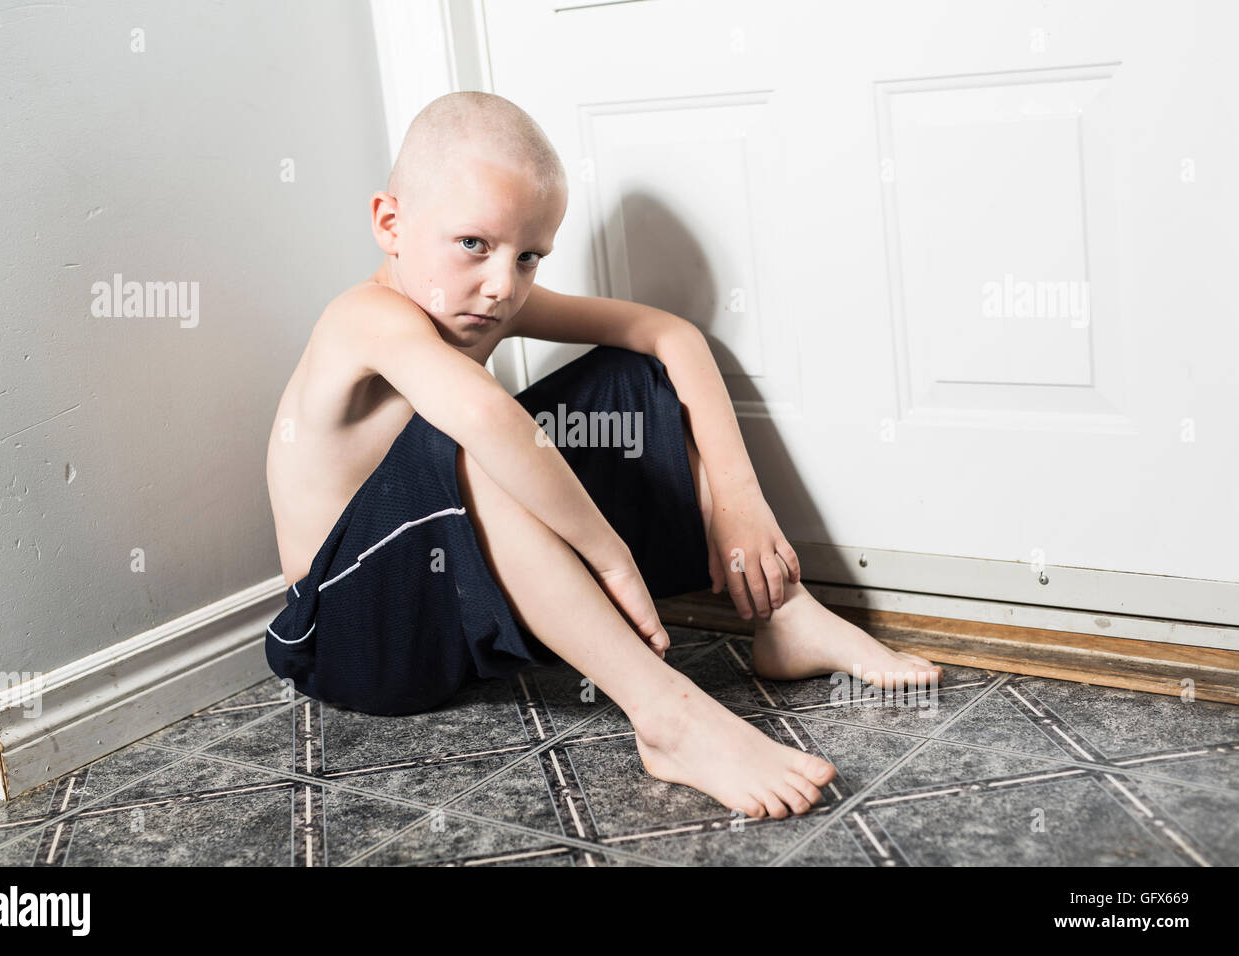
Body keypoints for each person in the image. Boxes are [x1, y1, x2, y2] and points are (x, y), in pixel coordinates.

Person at [264, 91, 941, 820]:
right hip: (352, 640)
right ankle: (669, 719)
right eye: (473, 245)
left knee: (633, 377)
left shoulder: (490, 296)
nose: (502, 286)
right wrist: (609, 555)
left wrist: (744, 505)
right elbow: (489, 420)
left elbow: (670, 335)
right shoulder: (365, 318)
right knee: (466, 441)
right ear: (390, 224)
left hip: (453, 617)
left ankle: (781, 611)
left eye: (528, 257)